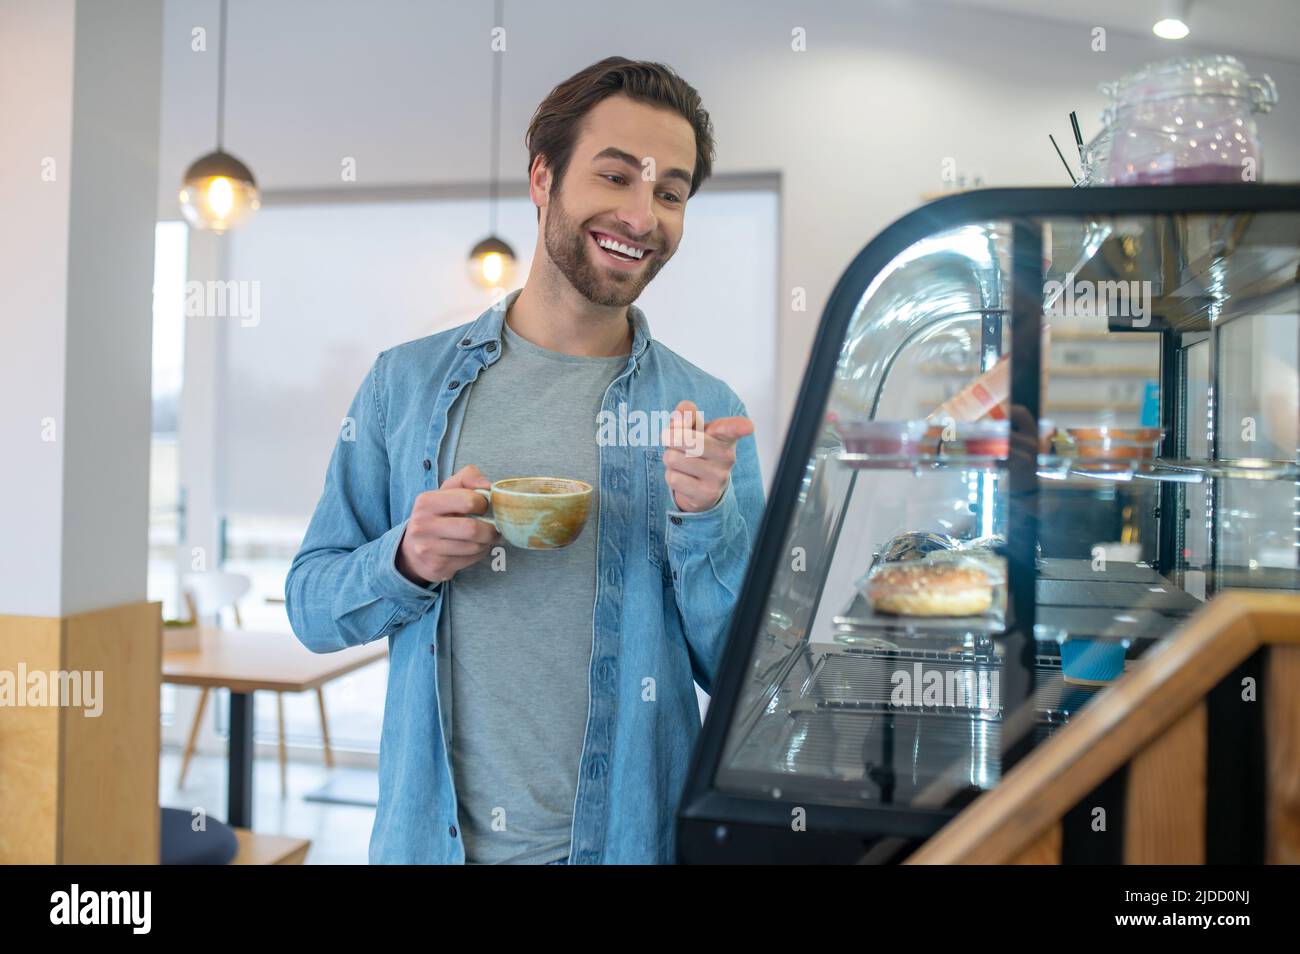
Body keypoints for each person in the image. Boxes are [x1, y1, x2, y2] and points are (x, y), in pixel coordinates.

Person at [286, 56, 764, 864]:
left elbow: (744, 678)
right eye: (615, 176)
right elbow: (310, 607)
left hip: (628, 846)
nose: (643, 215)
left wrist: (703, 524)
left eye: (671, 192)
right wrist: (404, 559)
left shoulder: (706, 414)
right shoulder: (403, 385)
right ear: (543, 177)